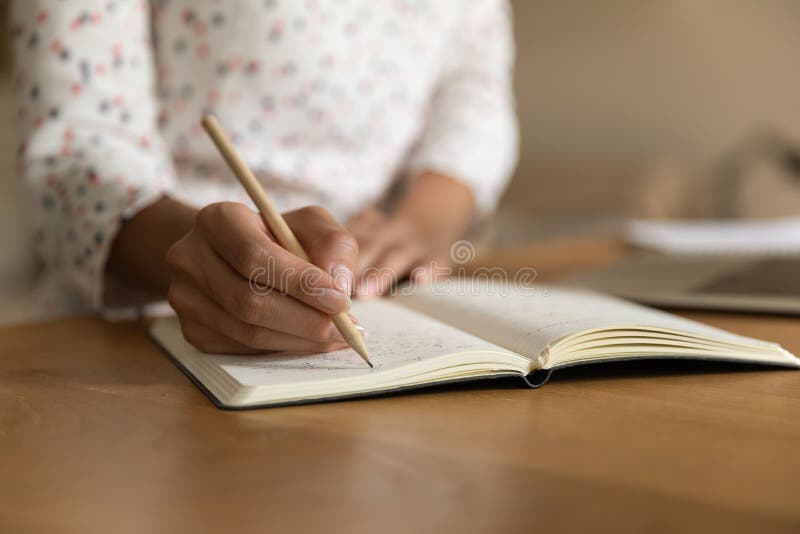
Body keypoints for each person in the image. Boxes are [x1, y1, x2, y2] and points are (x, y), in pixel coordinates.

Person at [11, 0, 518, 354]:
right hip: (144, 325)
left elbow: (473, 87)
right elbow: (76, 144)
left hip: (386, 299)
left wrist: (425, 223)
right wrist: (195, 255)